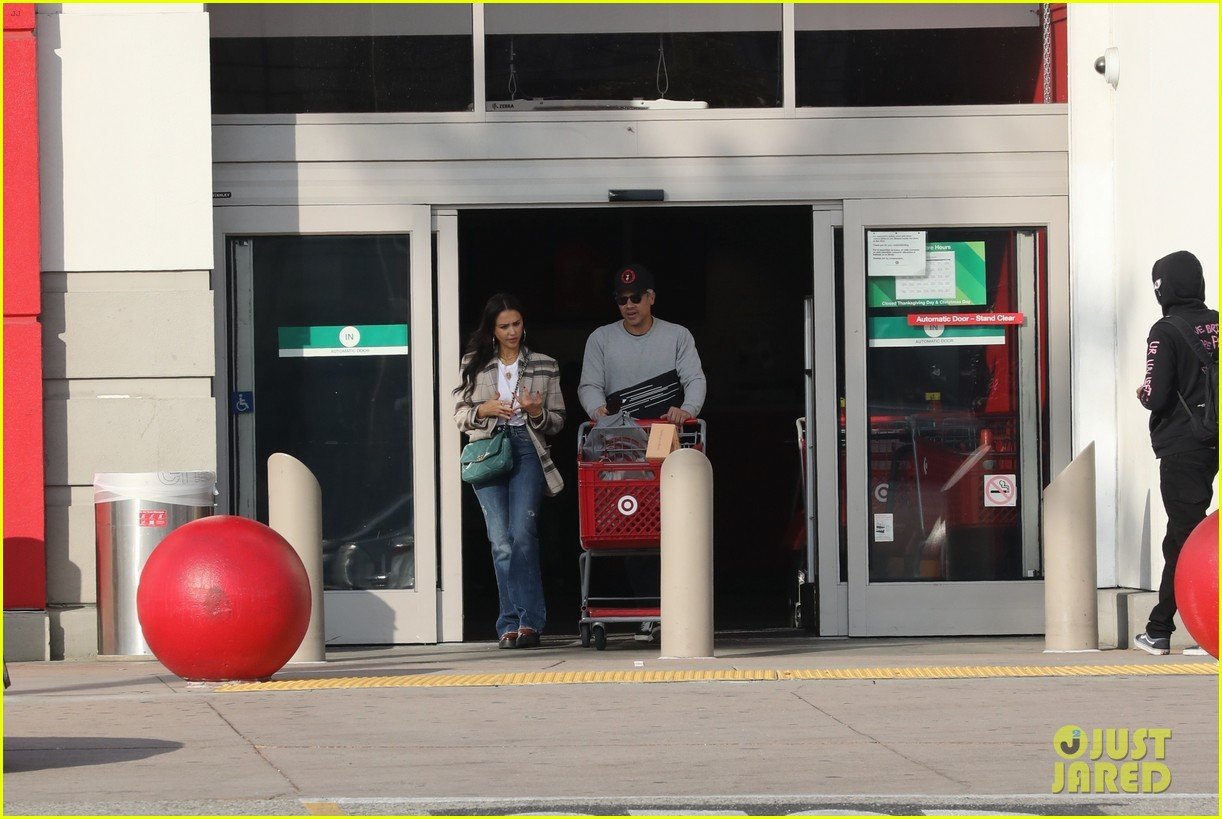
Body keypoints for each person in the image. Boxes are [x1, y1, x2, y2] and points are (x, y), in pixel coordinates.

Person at [578, 263, 707, 641]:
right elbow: (589, 385)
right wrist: (598, 411)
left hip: (669, 445)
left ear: (651, 298)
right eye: (622, 300)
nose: (629, 305)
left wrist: (689, 410)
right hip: (623, 448)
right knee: (631, 530)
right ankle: (651, 610)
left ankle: (674, 608)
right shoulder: (600, 339)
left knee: (674, 528)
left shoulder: (678, 336)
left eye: (636, 298)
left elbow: (694, 380)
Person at [454, 293, 566, 649]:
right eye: (504, 326)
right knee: (500, 541)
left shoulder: (545, 365)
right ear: (492, 329)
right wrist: (483, 409)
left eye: (517, 324)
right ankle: (509, 623)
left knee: (523, 534)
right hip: (488, 450)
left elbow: (558, 420)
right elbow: (459, 415)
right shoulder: (473, 363)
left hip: (527, 447)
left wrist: (535, 412)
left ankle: (530, 622)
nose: (512, 331)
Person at [1133, 250, 1218, 655]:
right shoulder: (1218, 322)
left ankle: (1167, 629)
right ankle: (1170, 626)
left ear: (1162, 287)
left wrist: (1142, 393)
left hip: (1185, 444)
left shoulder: (1165, 330)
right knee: (1194, 534)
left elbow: (1155, 394)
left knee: (1184, 536)